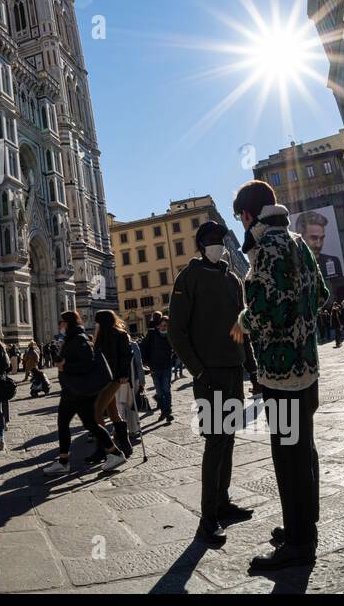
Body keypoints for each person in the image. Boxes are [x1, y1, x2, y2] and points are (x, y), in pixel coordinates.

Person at [232, 180, 327, 570]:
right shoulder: (298, 242)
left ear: (249, 215)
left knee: (288, 459)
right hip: (308, 368)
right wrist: (302, 328)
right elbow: (319, 295)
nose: (241, 223)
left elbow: (268, 310)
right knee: (303, 451)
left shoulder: (266, 251)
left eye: (240, 216)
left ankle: (299, 544)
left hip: (281, 374)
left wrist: (243, 320)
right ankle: (303, 527)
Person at [170, 220, 258, 547]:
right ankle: (208, 519)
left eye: (220, 240)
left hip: (234, 371)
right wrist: (198, 371)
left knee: (229, 439)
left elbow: (242, 327)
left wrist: (252, 368)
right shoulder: (188, 278)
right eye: (210, 241)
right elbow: (175, 331)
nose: (217, 245)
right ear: (200, 245)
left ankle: (223, 502)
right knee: (214, 441)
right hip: (209, 376)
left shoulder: (233, 279)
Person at [43, 311, 125, 476]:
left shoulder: (79, 339)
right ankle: (114, 453)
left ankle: (64, 462)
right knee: (89, 424)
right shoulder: (73, 338)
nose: (60, 326)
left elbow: (87, 364)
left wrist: (65, 367)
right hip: (72, 389)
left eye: (62, 323)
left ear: (68, 323)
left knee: (69, 424)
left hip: (77, 391)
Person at [91, 310, 135, 463]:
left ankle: (104, 447)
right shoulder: (101, 335)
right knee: (112, 410)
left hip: (115, 378)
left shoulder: (119, 334)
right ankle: (125, 443)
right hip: (103, 378)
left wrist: (124, 374)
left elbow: (126, 355)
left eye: (97, 322)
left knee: (96, 411)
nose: (96, 325)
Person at [139, 311, 174, 424]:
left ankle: (168, 413)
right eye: (163, 325)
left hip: (166, 366)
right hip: (155, 367)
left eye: (166, 326)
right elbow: (144, 347)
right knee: (159, 392)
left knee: (166, 390)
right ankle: (164, 411)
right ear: (158, 325)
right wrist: (145, 362)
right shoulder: (152, 335)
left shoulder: (171, 336)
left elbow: (177, 348)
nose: (164, 328)